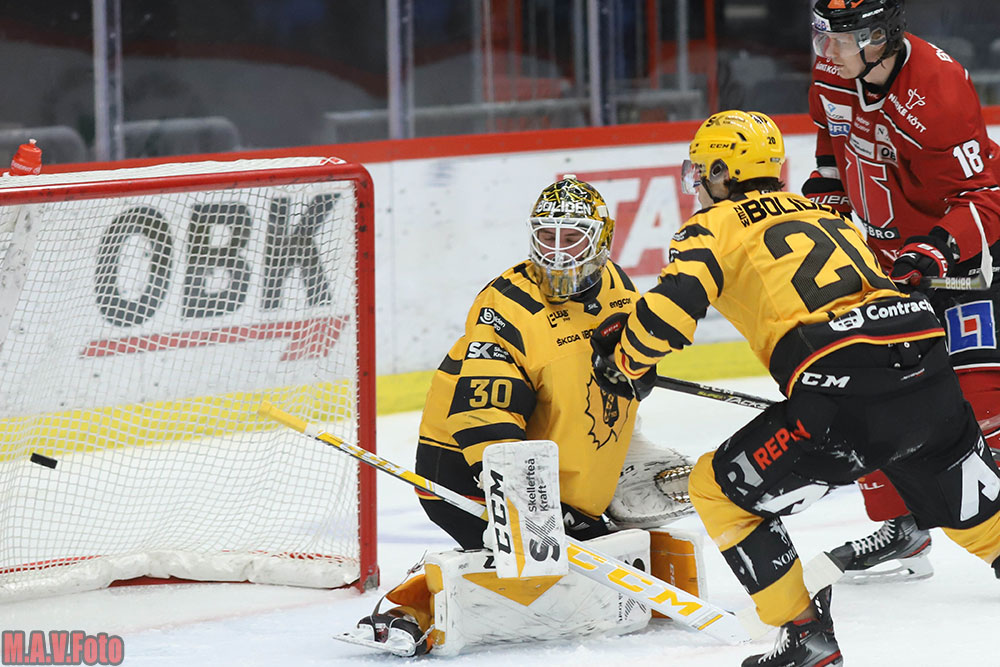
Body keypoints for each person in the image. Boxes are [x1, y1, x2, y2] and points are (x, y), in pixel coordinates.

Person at [590, 109, 1000, 667]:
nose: (698, 184)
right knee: (972, 508)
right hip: (928, 374)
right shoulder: (826, 213)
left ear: (719, 172)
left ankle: (803, 632)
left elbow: (668, 315)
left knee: (715, 491)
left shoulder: (710, 229)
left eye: (701, 172)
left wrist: (623, 359)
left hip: (843, 401)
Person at [347, 175, 694, 657]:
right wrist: (531, 509)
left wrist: (636, 370)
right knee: (520, 561)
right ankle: (407, 606)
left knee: (574, 562)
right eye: (545, 237)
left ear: (602, 241)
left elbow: (619, 381)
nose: (556, 253)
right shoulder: (507, 306)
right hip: (469, 469)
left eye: (571, 238)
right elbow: (485, 416)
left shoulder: (618, 287)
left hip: (553, 473)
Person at [804, 0, 1000, 582]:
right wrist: (822, 217)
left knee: (981, 399)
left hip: (960, 262)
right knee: (867, 396)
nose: (826, 51)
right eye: (823, 36)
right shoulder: (833, 73)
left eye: (840, 38)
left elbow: (988, 197)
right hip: (884, 262)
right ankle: (905, 526)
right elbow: (830, 152)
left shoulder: (936, 91)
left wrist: (931, 251)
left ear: (881, 38)